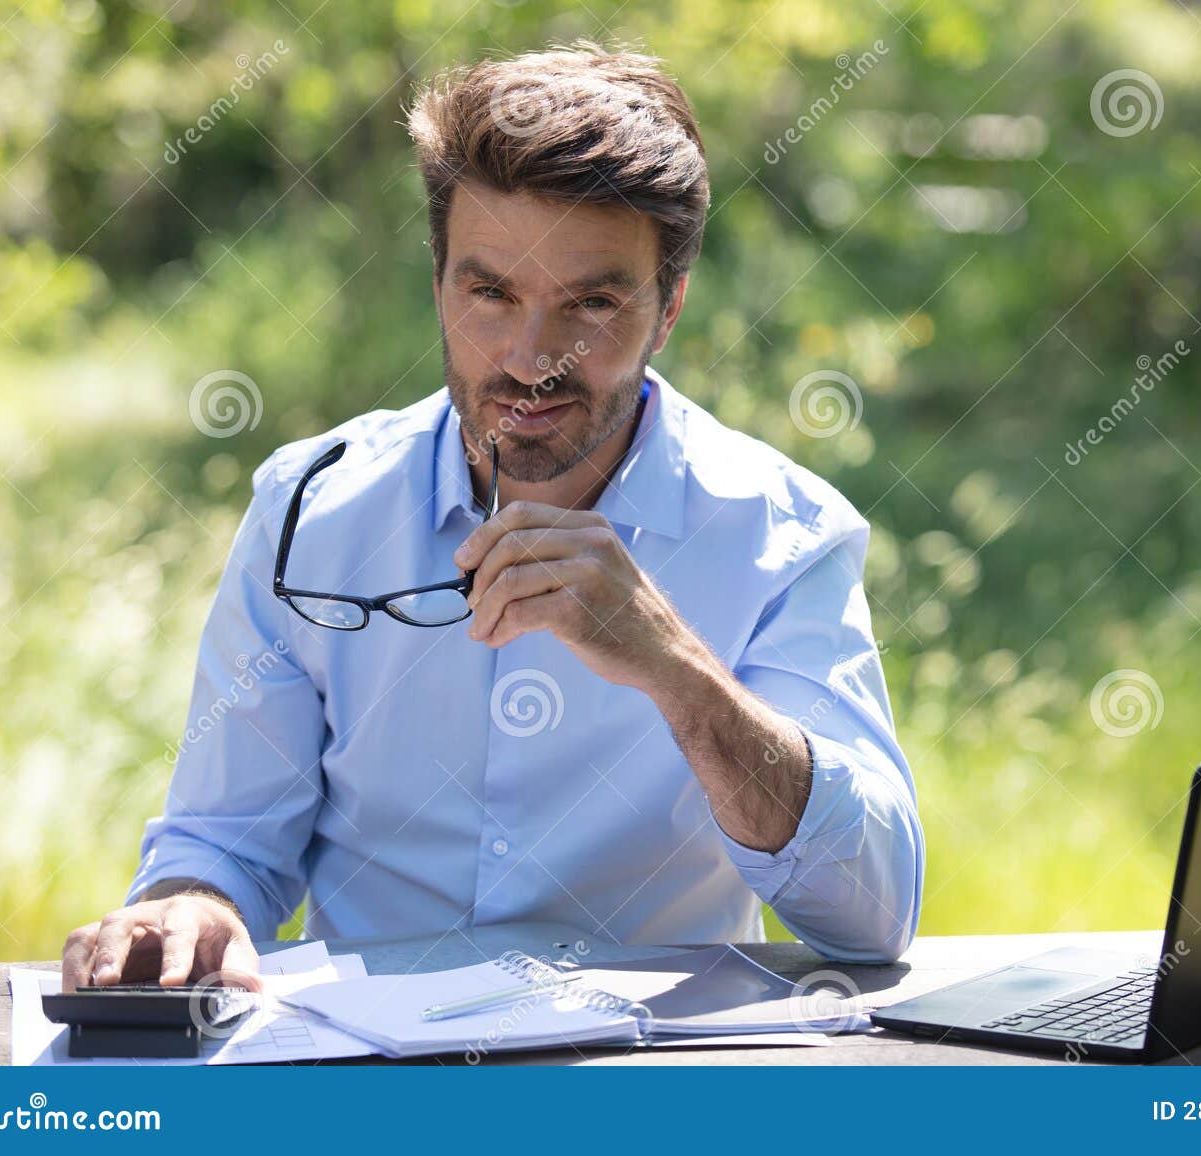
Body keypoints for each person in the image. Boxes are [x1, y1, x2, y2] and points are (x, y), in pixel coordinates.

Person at [62, 42, 923, 992]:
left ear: (668, 308)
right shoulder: (308, 511)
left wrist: (676, 670)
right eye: (491, 293)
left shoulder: (784, 535)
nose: (529, 357)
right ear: (439, 283)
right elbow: (225, 843)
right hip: (370, 1089)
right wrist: (194, 904)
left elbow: (873, 916)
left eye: (591, 304)